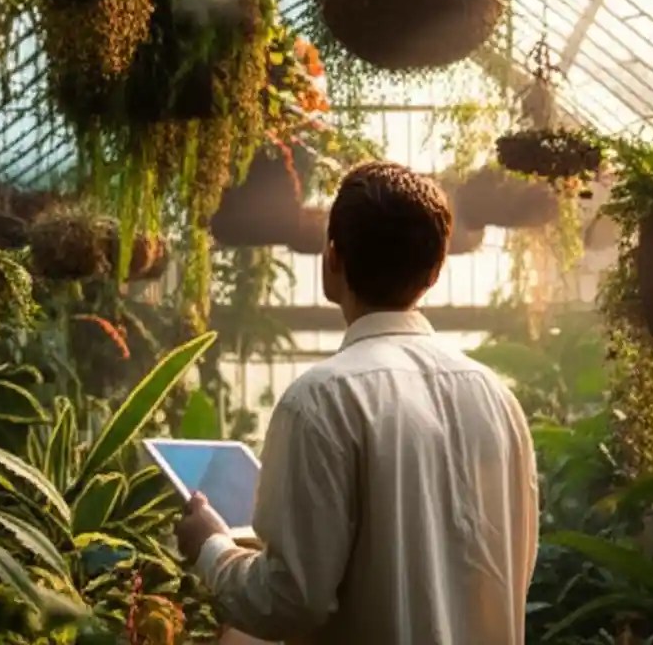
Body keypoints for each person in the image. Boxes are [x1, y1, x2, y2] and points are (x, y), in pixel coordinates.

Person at [175, 161, 539, 644]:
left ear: (331, 258)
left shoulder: (322, 400)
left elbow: (290, 602)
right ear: (435, 271)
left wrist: (211, 548)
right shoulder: (497, 399)